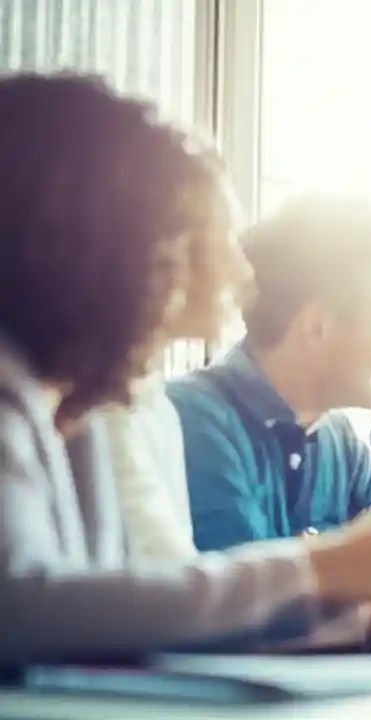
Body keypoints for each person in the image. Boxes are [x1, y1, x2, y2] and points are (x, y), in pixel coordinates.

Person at [0, 73, 371, 664]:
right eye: (200, 242)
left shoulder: (111, 408)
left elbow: (145, 609)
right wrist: (326, 567)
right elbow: (26, 609)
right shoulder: (152, 413)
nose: (240, 273)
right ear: (113, 247)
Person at [98, 152, 244, 563]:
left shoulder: (154, 402)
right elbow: (169, 577)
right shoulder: (96, 409)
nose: (243, 272)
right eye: (227, 242)